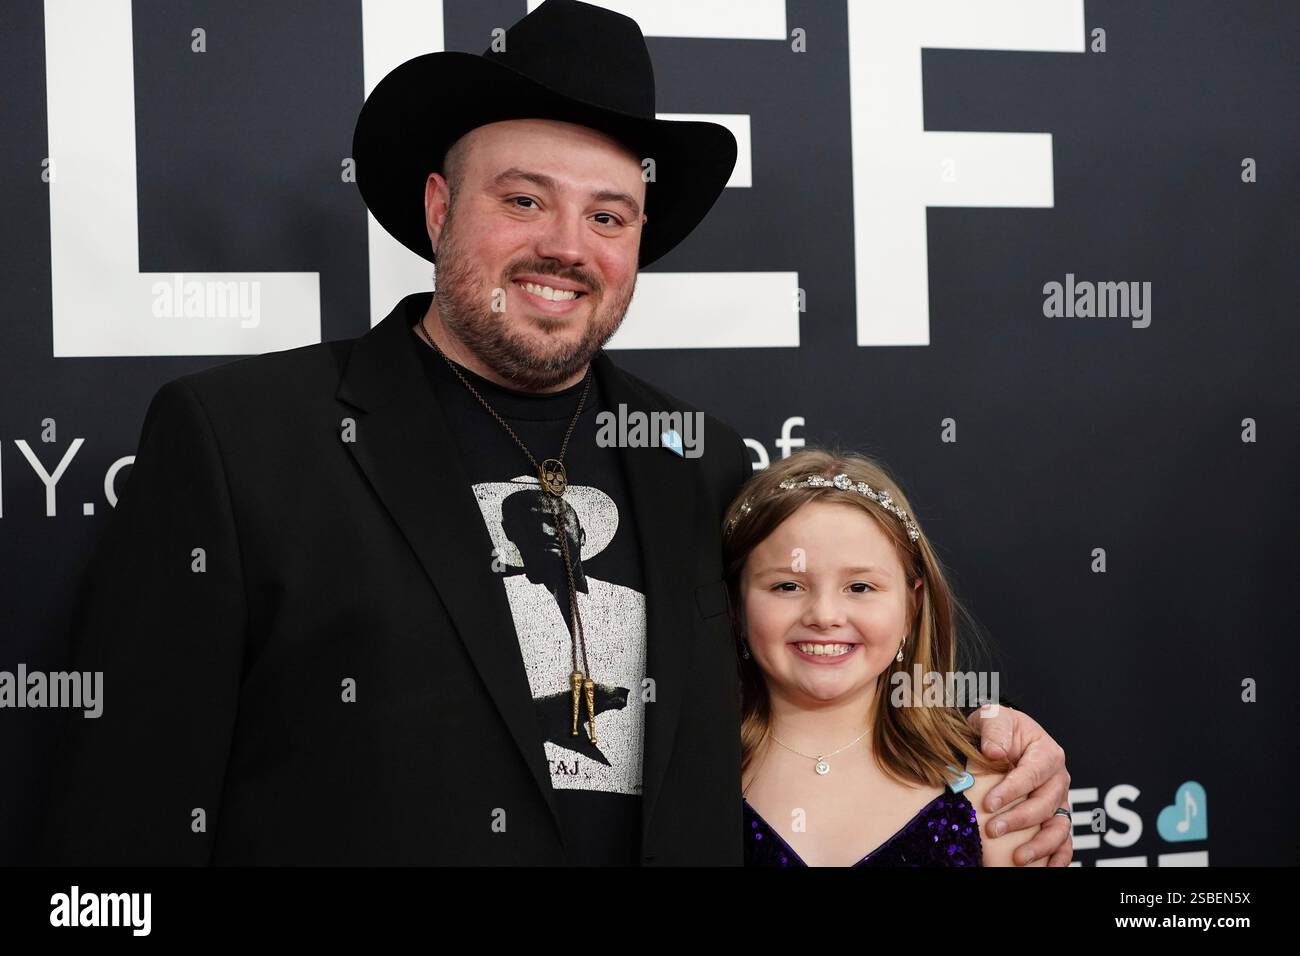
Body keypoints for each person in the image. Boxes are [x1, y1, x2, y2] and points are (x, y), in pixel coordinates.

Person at [40, 0, 1071, 866]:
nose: (565, 247)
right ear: (439, 207)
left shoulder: (695, 457)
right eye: (523, 199)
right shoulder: (238, 440)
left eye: (609, 216)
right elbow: (121, 815)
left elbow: (812, 676)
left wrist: (986, 735)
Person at [725, 448, 1055, 866]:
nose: (825, 615)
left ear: (911, 608)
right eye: (787, 586)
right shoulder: (684, 778)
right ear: (736, 607)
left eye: (860, 587)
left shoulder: (990, 788)